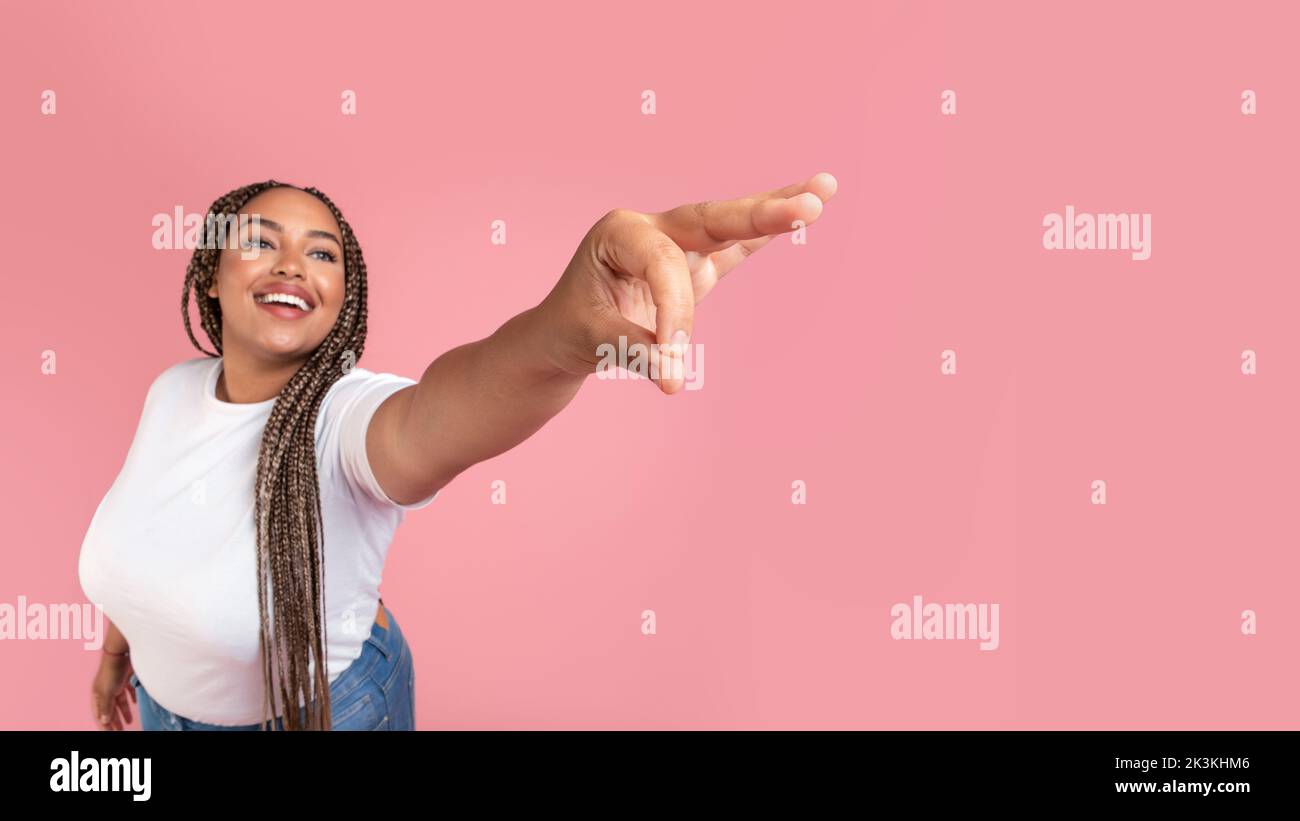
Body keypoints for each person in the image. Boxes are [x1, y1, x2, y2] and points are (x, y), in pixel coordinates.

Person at [79, 173, 839, 730]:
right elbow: (156, 524)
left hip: (328, 711)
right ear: (213, 273)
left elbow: (442, 414)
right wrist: (122, 649)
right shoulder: (175, 388)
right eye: (259, 243)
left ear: (343, 298)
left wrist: (560, 335)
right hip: (158, 708)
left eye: (322, 254)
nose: (293, 265)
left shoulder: (344, 416)